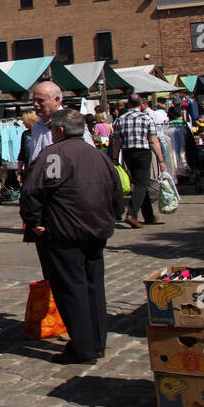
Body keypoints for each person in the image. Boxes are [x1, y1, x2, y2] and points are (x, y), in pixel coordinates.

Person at [21, 108, 123, 364]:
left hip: (65, 232)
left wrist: (35, 222)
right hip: (96, 230)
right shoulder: (97, 155)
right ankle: (97, 341)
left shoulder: (54, 156)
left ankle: (83, 346)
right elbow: (116, 190)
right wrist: (113, 215)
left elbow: (33, 191)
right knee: (93, 286)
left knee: (72, 288)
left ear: (60, 130)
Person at [111, 93, 167, 229]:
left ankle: (149, 215)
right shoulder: (146, 118)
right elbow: (153, 140)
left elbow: (117, 141)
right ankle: (132, 213)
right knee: (141, 184)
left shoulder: (120, 119)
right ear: (140, 104)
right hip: (143, 152)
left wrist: (114, 157)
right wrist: (161, 160)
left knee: (140, 182)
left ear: (128, 104)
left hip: (128, 153)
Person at [28, 82, 96, 163]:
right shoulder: (37, 126)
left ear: (56, 100)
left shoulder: (72, 122)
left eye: (40, 100)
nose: (35, 104)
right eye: (34, 100)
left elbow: (90, 156)